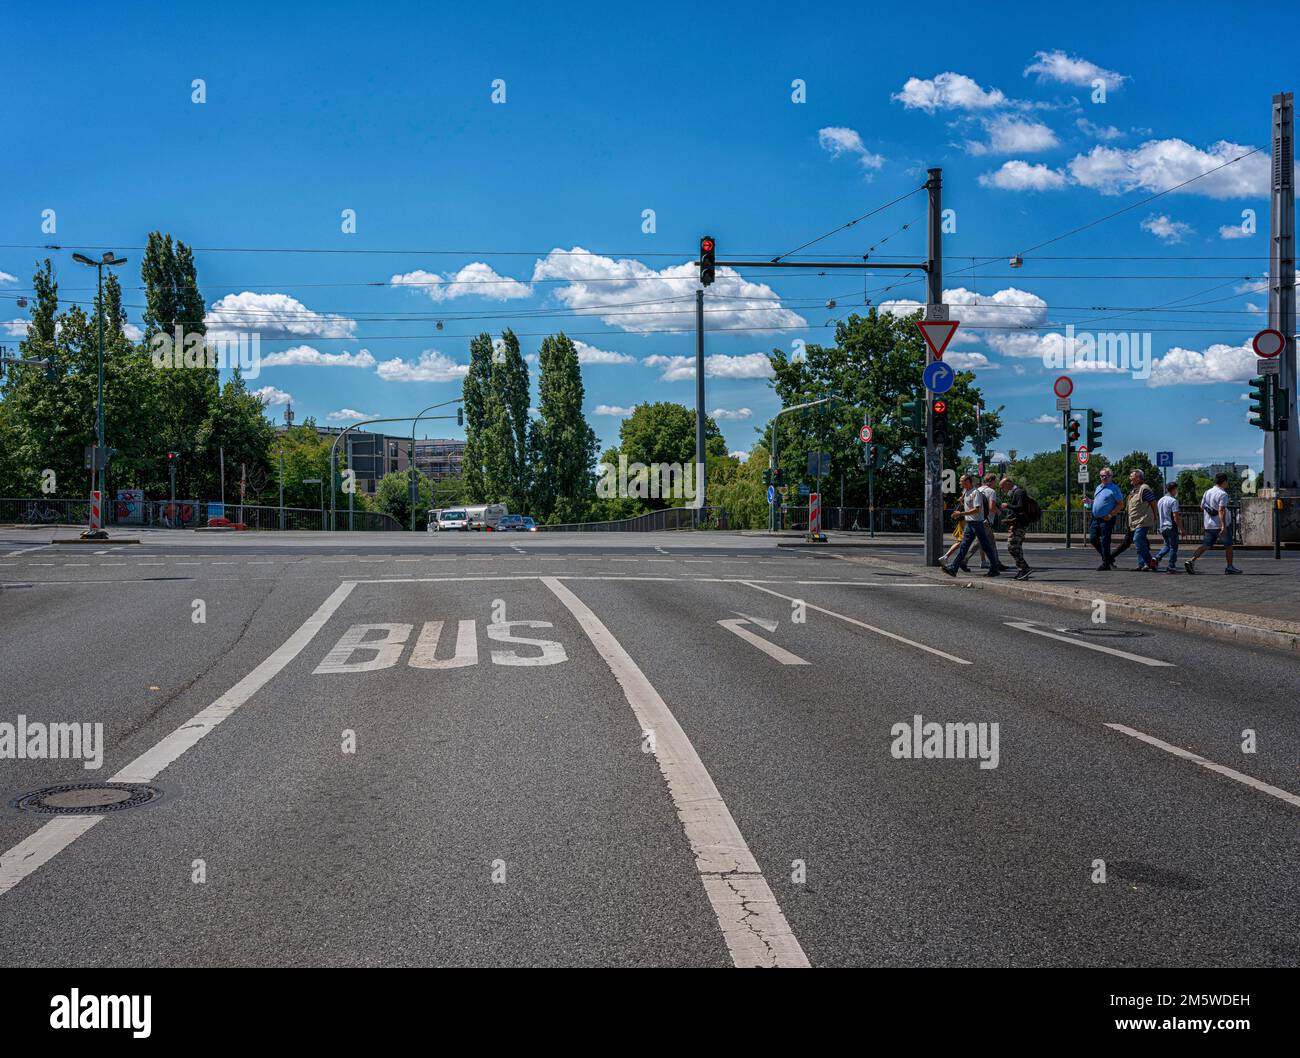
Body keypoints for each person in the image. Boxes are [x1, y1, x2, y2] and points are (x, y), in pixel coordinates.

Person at [942, 473, 999, 577]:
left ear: (968, 482)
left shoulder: (975, 493)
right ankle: (954, 568)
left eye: (961, 480)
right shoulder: (967, 492)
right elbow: (969, 507)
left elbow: (977, 509)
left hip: (977, 523)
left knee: (985, 547)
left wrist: (961, 513)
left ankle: (994, 569)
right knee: (964, 546)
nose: (960, 482)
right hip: (970, 523)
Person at [1185, 472, 1242, 575]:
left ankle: (1191, 560)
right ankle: (1229, 567)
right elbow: (1221, 510)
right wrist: (1223, 526)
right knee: (1228, 545)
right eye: (1227, 481)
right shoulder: (1223, 494)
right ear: (1224, 482)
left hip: (1209, 525)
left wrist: (1210, 510)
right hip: (1219, 525)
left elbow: (1202, 506)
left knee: (1206, 545)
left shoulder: (1207, 492)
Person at [1109, 470, 1160, 571]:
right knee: (1141, 542)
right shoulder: (1134, 490)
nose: (1129, 478)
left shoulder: (1144, 489)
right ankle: (1142, 564)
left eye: (1131, 476)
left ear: (1138, 478)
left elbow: (1153, 502)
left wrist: (1155, 516)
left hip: (1142, 521)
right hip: (1133, 522)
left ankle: (1150, 562)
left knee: (1137, 539)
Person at [970, 473, 1009, 573]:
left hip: (976, 519)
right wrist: (999, 511)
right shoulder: (991, 491)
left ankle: (996, 562)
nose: (995, 484)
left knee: (992, 542)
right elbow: (992, 507)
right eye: (995, 481)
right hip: (985, 521)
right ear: (991, 481)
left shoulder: (977, 490)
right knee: (977, 543)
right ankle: (963, 560)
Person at [1088, 467, 1123, 570]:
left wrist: (1111, 514)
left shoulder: (1114, 488)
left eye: (1105, 476)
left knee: (1105, 541)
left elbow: (1120, 504)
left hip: (1106, 519)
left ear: (1110, 477)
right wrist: (1090, 501)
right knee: (1093, 539)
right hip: (1095, 518)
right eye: (1101, 476)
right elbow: (1098, 501)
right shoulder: (1098, 487)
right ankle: (1108, 558)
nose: (1103, 478)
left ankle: (1106, 564)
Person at [998, 476, 1033, 580]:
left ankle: (1024, 568)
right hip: (1017, 524)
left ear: (1009, 483)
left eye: (1002, 487)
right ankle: (1022, 571)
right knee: (1017, 547)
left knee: (1012, 546)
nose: (1002, 489)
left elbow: (1020, 507)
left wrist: (1007, 505)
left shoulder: (1019, 492)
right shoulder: (1016, 493)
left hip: (1020, 524)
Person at [1153, 481, 1181, 574]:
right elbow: (1175, 516)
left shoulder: (1160, 500)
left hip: (1162, 526)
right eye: (1176, 489)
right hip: (1171, 526)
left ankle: (1156, 558)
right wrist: (1181, 528)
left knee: (1167, 545)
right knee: (1173, 547)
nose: (1177, 491)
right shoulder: (1173, 501)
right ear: (1173, 489)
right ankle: (1171, 566)